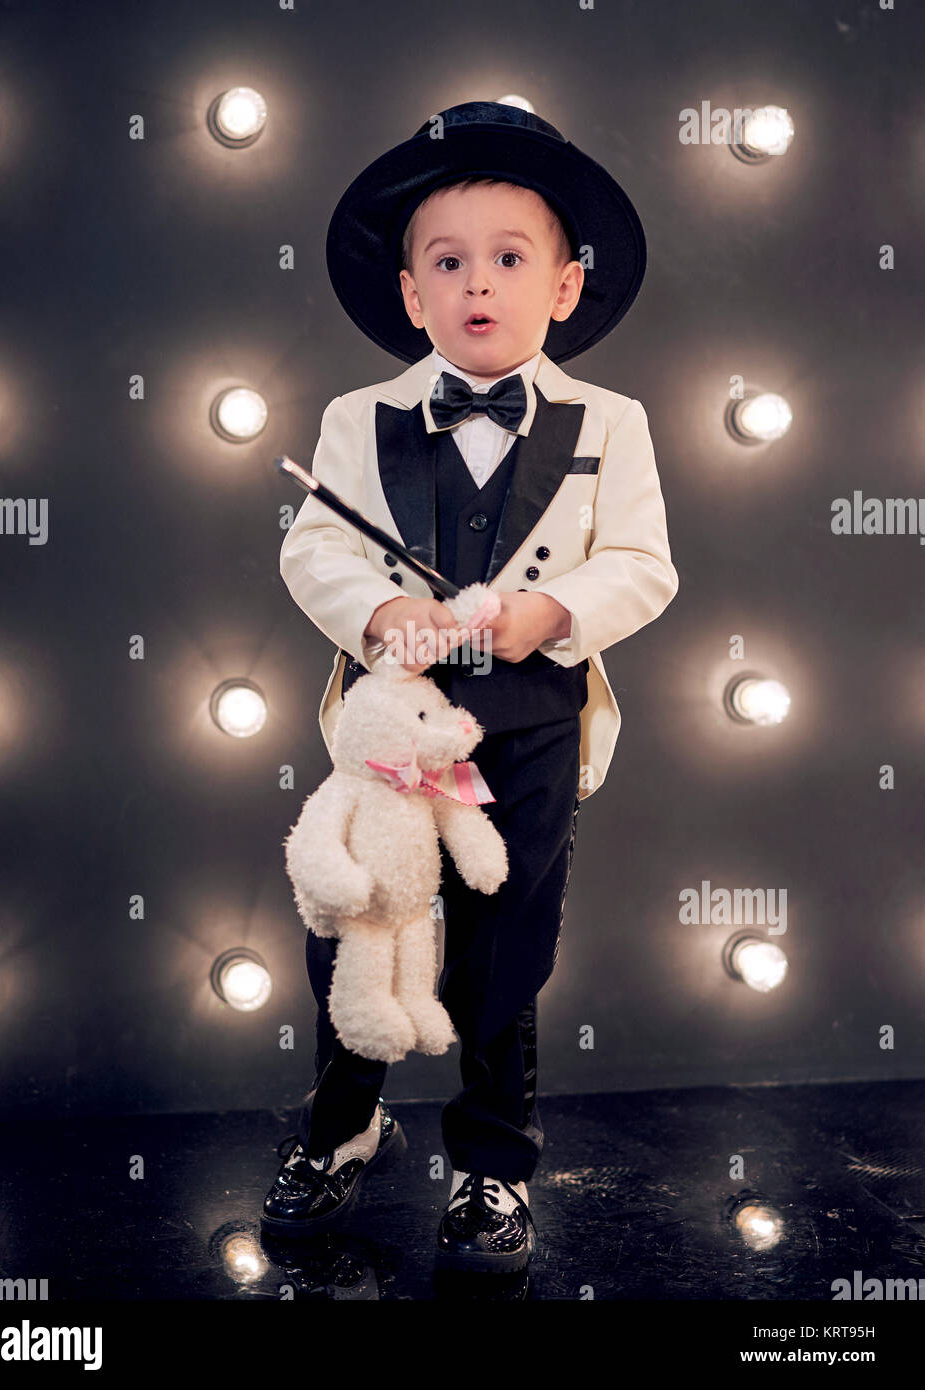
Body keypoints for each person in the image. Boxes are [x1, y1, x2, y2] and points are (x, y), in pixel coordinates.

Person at [261, 100, 679, 1273]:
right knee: (359, 923)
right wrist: (385, 612)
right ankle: (340, 1130)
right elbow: (311, 551)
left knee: (506, 943)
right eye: (448, 263)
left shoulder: (614, 422)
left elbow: (643, 565)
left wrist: (553, 614)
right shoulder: (359, 417)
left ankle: (492, 1166)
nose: (477, 283)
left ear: (563, 287)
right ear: (410, 294)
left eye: (509, 259)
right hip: (393, 717)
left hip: (534, 715)